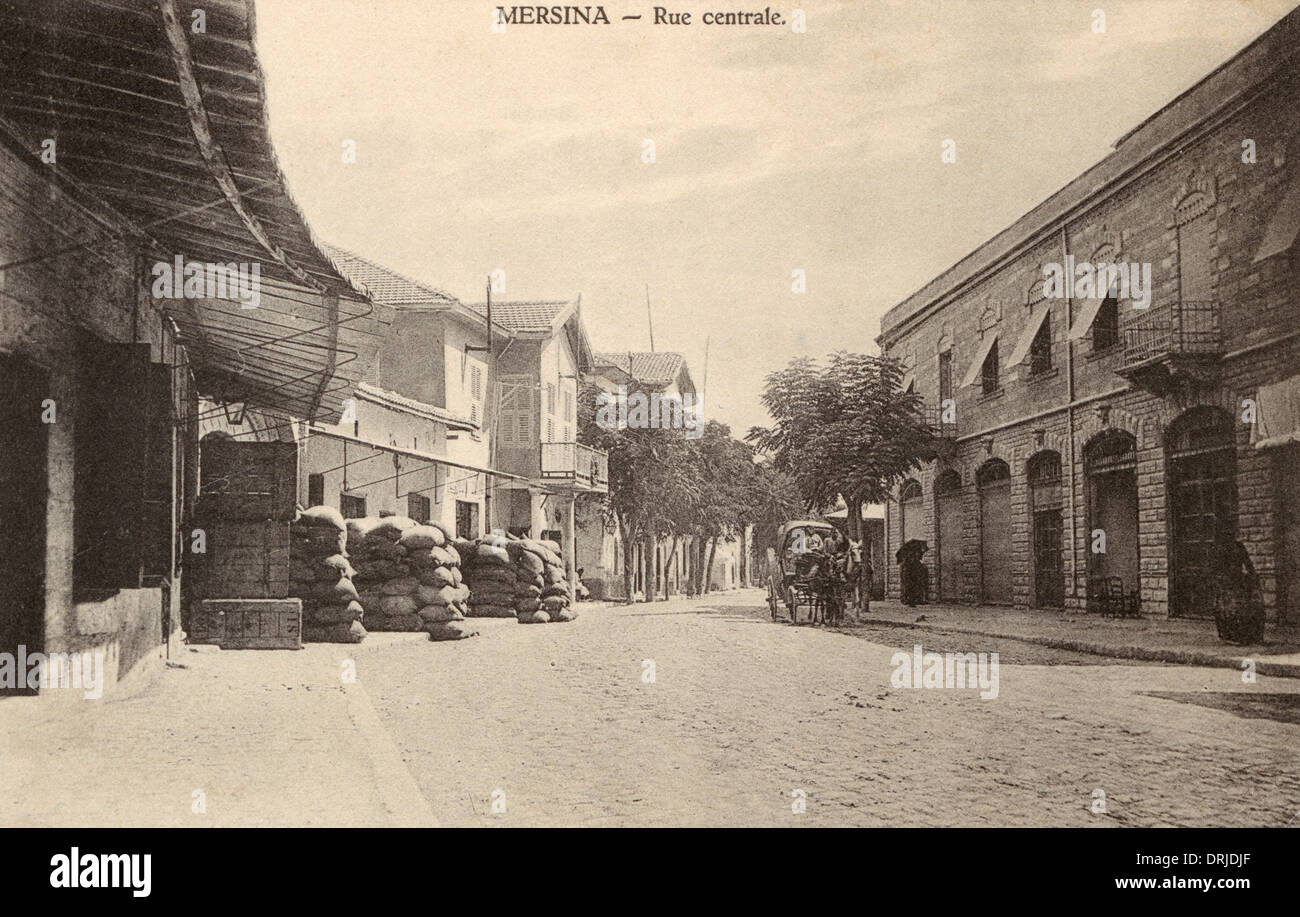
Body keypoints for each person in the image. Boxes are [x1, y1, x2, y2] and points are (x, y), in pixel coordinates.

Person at [1213, 527, 1265, 644]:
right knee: (1235, 609)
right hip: (1233, 580)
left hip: (1231, 581)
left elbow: (1247, 563)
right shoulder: (1236, 546)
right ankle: (1236, 635)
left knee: (1232, 609)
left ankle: (1233, 635)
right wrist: (1252, 575)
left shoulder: (1223, 547)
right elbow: (1248, 563)